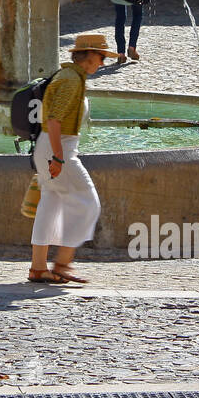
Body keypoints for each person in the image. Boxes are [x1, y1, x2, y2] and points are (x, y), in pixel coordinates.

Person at [27, 33, 118, 284]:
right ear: (88, 56)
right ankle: (63, 263)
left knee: (50, 203)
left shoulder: (67, 75)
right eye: (100, 57)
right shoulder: (71, 80)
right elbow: (55, 120)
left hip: (49, 145)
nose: (101, 63)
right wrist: (58, 157)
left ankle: (38, 268)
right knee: (89, 202)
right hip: (60, 147)